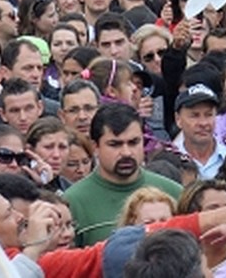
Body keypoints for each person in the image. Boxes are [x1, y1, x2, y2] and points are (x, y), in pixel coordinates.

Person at [64, 103, 183, 246]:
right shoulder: (73, 202)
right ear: (95, 147)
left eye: (133, 143)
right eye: (115, 144)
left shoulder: (174, 193)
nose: (126, 152)